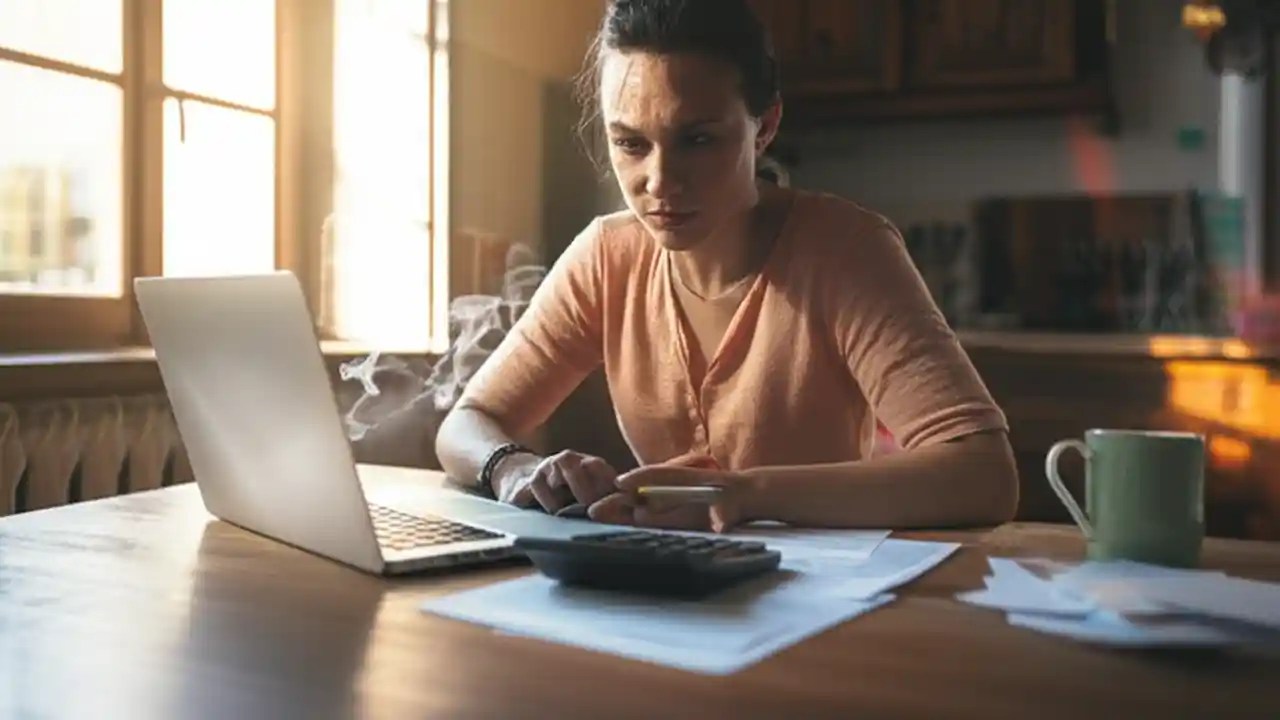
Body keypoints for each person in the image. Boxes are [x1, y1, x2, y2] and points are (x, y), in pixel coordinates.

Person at [435, 0, 1018, 532]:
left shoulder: (845, 251)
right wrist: (511, 469)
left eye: (697, 140)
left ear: (763, 127)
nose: (660, 183)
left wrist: (740, 494)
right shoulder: (607, 258)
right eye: (631, 144)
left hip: (826, 600)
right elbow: (469, 422)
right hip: (670, 587)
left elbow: (984, 475)